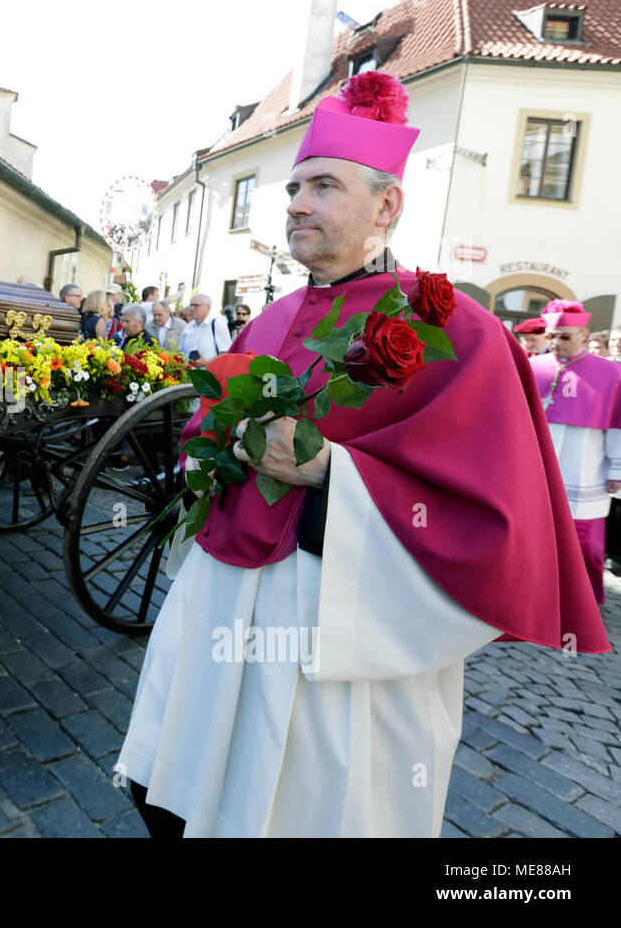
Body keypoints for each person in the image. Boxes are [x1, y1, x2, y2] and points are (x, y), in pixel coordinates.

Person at [117, 70, 608, 839]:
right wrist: (218, 442)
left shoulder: (458, 331)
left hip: (339, 634)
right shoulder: (272, 317)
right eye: (293, 188)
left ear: (387, 205)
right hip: (218, 606)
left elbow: (492, 511)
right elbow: (203, 441)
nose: (296, 204)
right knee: (187, 794)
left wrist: (328, 472)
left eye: (322, 186)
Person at [529, 301, 621, 606]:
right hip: (538, 467)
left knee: (583, 540)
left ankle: (582, 599)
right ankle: (535, 592)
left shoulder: (611, 374)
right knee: (535, 532)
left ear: (584, 335)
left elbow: (618, 426)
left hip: (586, 466)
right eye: (552, 335)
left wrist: (617, 470)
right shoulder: (532, 366)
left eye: (564, 337)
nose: (556, 343)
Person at [179, 292, 232, 364]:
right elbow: (181, 352)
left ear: (208, 307)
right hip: (188, 373)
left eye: (196, 305)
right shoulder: (188, 327)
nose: (192, 308)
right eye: (191, 305)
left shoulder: (217, 325)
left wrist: (206, 363)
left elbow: (226, 353)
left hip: (209, 373)